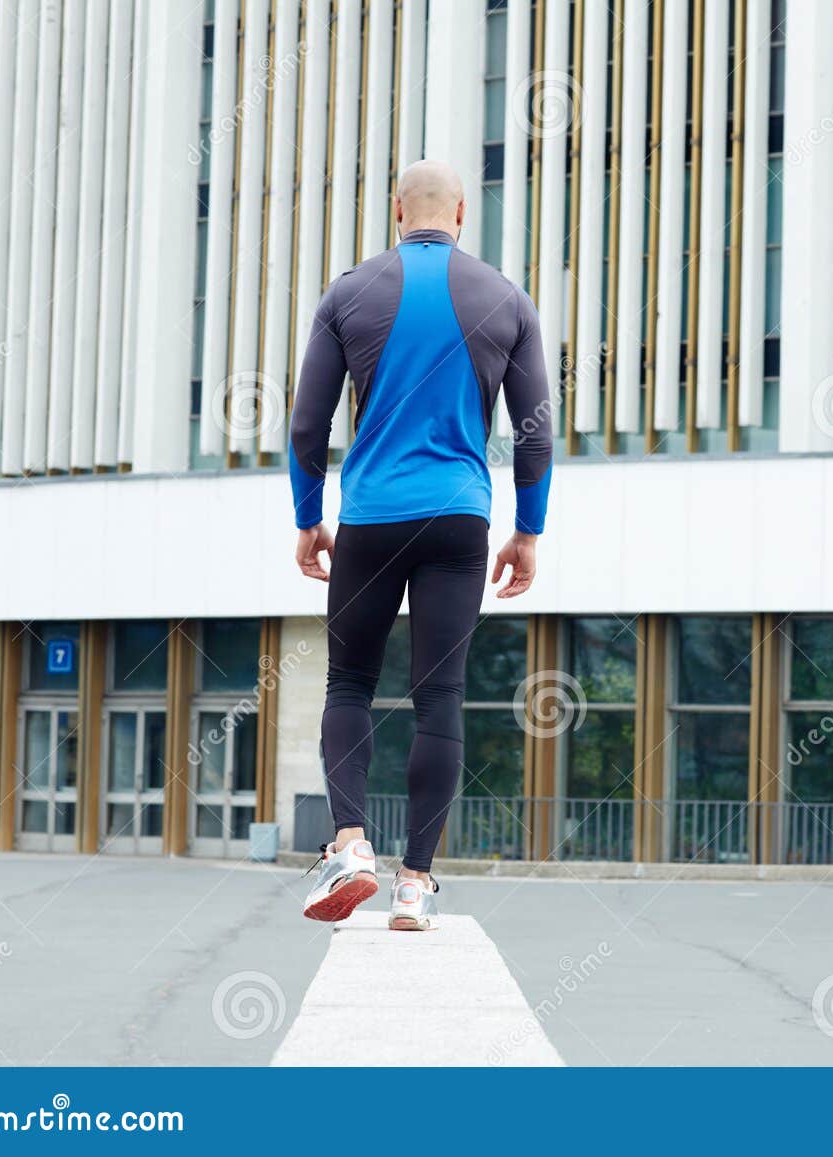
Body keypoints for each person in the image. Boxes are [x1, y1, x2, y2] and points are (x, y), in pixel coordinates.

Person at [291, 159, 552, 931]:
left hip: (371, 515)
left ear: (397, 211)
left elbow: (309, 425)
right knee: (440, 695)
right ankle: (415, 883)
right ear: (463, 213)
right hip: (460, 521)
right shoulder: (507, 297)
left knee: (349, 684)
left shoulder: (347, 292)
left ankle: (351, 845)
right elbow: (535, 435)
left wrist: (310, 516)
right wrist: (527, 531)